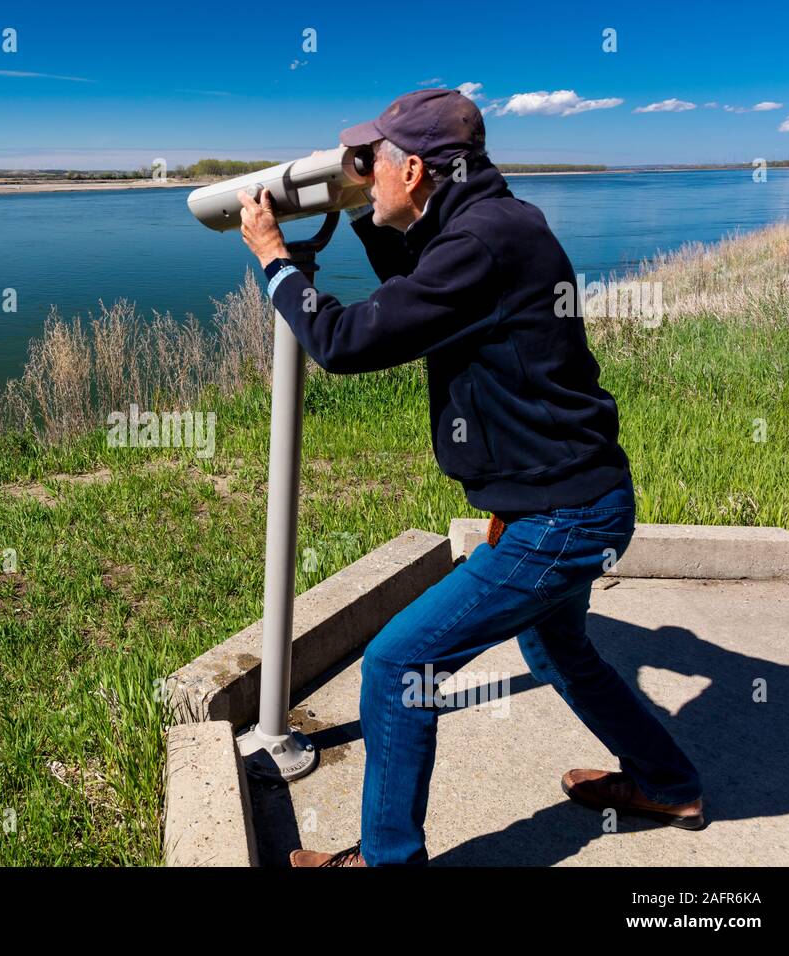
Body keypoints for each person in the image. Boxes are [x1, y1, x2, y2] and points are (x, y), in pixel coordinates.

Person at [235, 88, 705, 867]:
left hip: (563, 514)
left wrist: (274, 260)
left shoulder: (484, 242)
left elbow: (346, 341)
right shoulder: (491, 225)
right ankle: (668, 782)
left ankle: (388, 862)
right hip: (566, 499)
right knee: (558, 653)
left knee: (397, 666)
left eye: (373, 163)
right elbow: (425, 290)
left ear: (414, 169)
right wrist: (356, 206)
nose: (366, 173)